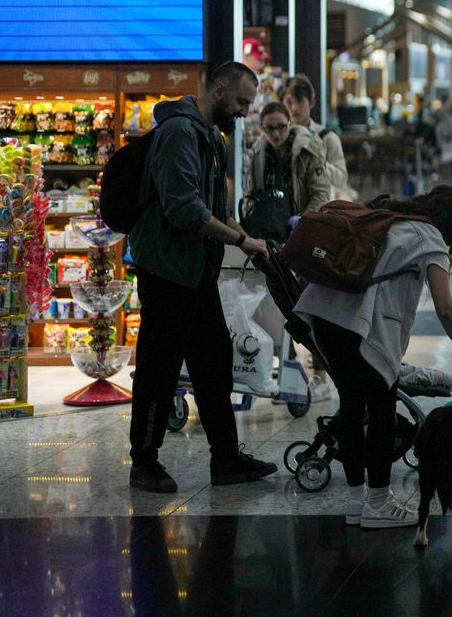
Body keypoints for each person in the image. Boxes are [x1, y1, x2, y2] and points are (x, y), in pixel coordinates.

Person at [294, 185, 452, 528]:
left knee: (353, 408)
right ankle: (379, 504)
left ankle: (358, 503)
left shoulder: (395, 220)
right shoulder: (431, 239)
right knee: (382, 409)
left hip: (324, 317)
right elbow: (445, 308)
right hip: (359, 328)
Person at [127, 61, 278, 494]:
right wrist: (238, 239)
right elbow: (183, 209)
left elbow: (215, 207)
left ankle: (226, 457)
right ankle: (144, 462)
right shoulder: (179, 133)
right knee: (159, 368)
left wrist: (245, 236)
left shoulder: (213, 137)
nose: (246, 112)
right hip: (167, 271)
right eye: (242, 102)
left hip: (196, 272)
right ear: (217, 90)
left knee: (214, 364)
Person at [242, 102, 332, 242]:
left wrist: (303, 222)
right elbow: (251, 192)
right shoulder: (258, 154)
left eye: (281, 127)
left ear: (290, 124)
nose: (276, 134)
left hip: (302, 228)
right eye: (269, 128)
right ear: (262, 129)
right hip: (269, 228)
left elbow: (321, 193)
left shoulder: (308, 149)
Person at [281, 73, 351, 200]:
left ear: (311, 102)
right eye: (289, 102)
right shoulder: (278, 138)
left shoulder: (327, 137)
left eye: (300, 101)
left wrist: (316, 162)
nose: (295, 107)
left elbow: (341, 179)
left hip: (320, 208)